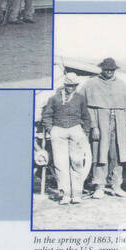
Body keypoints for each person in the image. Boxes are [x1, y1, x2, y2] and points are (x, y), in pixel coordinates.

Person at [81, 58, 126, 198]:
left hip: (118, 123)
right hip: (100, 122)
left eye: (111, 70)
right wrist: (94, 127)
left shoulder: (120, 84)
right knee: (100, 154)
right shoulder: (92, 84)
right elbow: (87, 108)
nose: (109, 72)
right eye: (106, 70)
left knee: (117, 154)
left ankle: (116, 185)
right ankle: (99, 186)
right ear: (102, 69)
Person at [40, 74, 92, 204]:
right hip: (58, 131)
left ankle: (77, 194)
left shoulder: (80, 99)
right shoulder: (54, 99)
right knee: (60, 163)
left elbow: (86, 116)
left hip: (76, 130)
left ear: (76, 86)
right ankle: (65, 194)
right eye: (69, 85)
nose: (71, 88)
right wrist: (51, 130)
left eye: (73, 86)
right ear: (64, 85)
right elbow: (47, 115)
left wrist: (84, 131)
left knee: (77, 162)